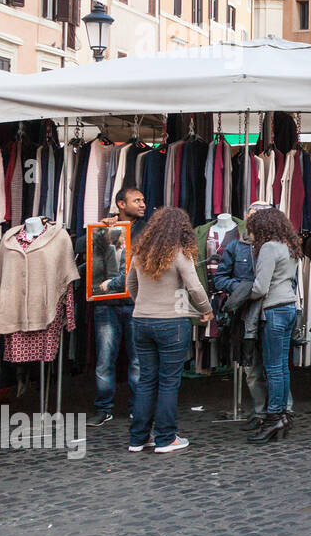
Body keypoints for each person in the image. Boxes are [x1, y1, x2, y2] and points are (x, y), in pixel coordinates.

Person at [125, 206, 213, 454]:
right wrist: (207, 310)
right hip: (172, 322)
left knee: (146, 380)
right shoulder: (179, 253)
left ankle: (139, 438)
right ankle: (165, 438)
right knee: (168, 381)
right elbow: (194, 287)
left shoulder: (140, 251)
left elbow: (130, 283)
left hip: (141, 320)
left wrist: (142, 304)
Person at [211, 201, 294, 429]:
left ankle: (279, 412)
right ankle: (262, 413)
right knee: (253, 368)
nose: (254, 215)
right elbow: (220, 278)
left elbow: (274, 284)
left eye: (260, 212)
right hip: (247, 315)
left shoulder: (274, 246)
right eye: (251, 211)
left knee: (274, 366)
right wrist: (242, 287)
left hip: (269, 311)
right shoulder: (236, 247)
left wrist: (252, 289)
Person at [85, 186, 148, 427]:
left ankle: (137, 408)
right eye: (137, 200)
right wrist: (103, 231)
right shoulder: (106, 227)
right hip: (107, 303)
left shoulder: (147, 230)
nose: (142, 204)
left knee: (137, 360)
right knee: (105, 358)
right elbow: (83, 245)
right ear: (121, 204)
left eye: (143, 200)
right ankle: (103, 408)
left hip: (136, 303)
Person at [247, 208, 302, 443]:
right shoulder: (288, 245)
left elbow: (260, 287)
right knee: (281, 367)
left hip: (274, 308)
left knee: (273, 367)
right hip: (289, 305)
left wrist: (242, 295)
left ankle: (274, 417)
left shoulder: (269, 247)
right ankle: (280, 416)